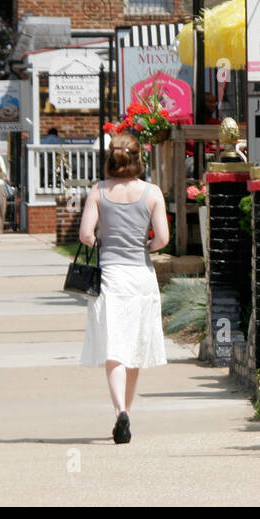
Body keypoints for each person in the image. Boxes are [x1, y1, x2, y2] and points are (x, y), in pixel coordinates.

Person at [78, 133, 169, 445]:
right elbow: (163, 239)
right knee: (134, 349)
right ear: (137, 158)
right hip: (141, 276)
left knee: (114, 346)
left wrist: (103, 241)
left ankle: (120, 411)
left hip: (111, 276)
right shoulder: (152, 192)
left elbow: (86, 235)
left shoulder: (99, 191)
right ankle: (127, 409)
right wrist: (145, 244)